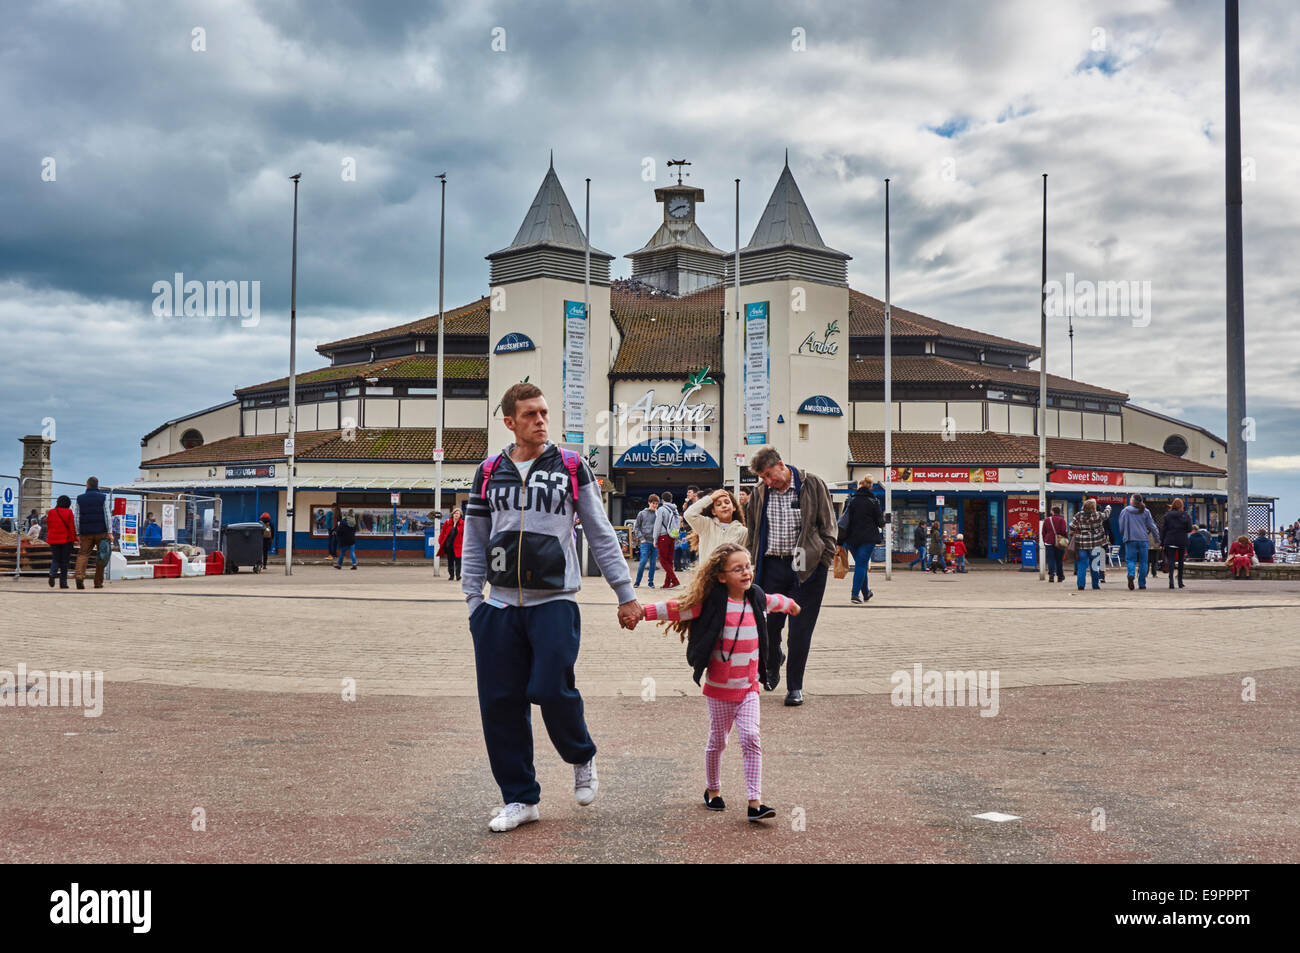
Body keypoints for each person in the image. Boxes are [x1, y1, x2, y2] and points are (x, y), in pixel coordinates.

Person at [461, 382, 642, 833]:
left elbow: (600, 532)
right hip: (499, 608)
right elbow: (475, 540)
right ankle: (521, 798)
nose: (541, 421)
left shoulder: (570, 466)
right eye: (530, 415)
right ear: (509, 422)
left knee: (549, 688)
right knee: (500, 703)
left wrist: (626, 594)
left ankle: (581, 755)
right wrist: (472, 601)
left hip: (555, 602)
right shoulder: (487, 472)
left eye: (544, 413)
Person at [642, 542, 798, 821]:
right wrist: (643, 611)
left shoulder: (757, 597)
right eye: (737, 569)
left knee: (751, 737)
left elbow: (774, 601)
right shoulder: (712, 602)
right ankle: (712, 790)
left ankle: (755, 803)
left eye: (748, 566)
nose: (746, 572)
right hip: (719, 690)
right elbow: (679, 608)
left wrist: (791, 605)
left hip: (749, 687)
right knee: (718, 742)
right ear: (722, 576)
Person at [742, 446, 835, 707]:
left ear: (781, 465)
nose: (769, 481)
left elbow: (828, 525)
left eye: (770, 475)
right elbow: (753, 532)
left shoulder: (812, 484)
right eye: (763, 477)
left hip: (806, 567)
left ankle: (795, 687)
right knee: (768, 627)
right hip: (771, 566)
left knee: (800, 631)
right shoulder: (760, 493)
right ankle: (773, 661)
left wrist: (823, 560)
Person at [841, 477, 883, 603]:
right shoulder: (874, 501)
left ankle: (866, 593)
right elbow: (880, 522)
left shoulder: (850, 500)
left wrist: (840, 541)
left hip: (851, 539)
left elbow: (843, 521)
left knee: (861, 564)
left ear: (859, 486)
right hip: (868, 538)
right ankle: (855, 595)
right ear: (870, 486)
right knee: (861, 564)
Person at [684, 488, 748, 568]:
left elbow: (743, 558)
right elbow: (689, 514)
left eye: (727, 502)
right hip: (707, 577)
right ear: (713, 511)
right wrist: (711, 498)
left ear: (734, 507)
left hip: (730, 577)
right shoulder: (705, 525)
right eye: (718, 504)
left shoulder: (743, 531)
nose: (724, 506)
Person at [72, 477, 112, 590]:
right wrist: (110, 532)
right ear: (97, 485)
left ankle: (79, 576)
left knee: (83, 554)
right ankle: (98, 582)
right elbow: (107, 515)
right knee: (101, 555)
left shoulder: (80, 498)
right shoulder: (103, 498)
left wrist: (78, 532)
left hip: (86, 532)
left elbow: (77, 517)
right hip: (102, 532)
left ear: (87, 485)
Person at [1118, 494, 1159, 590]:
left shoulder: (1125, 511)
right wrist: (1157, 538)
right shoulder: (1146, 512)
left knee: (1131, 560)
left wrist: (1124, 533)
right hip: (1143, 539)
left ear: (1132, 501)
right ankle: (1142, 584)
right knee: (1144, 562)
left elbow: (1121, 526)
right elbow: (1152, 526)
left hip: (1130, 539)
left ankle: (1131, 574)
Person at [1069, 499, 1109, 590]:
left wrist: (1080, 528)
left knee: (1082, 565)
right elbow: (1106, 515)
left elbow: (1071, 526)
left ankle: (1081, 585)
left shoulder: (1079, 515)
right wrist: (1108, 508)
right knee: (1095, 565)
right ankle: (1095, 585)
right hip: (1095, 544)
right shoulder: (1098, 515)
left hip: (1081, 544)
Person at [1159, 498, 1193, 589]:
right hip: (1181, 540)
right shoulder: (1185, 515)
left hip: (1170, 539)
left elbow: (1164, 530)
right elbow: (1189, 528)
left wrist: (1162, 543)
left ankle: (1171, 582)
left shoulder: (1167, 515)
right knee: (1181, 561)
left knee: (1171, 561)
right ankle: (1180, 582)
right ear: (1181, 505)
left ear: (1172, 505)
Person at [45, 495, 77, 589]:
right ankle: (63, 583)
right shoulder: (69, 512)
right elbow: (71, 527)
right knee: (64, 562)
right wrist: (74, 539)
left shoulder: (51, 512)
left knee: (55, 558)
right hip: (66, 540)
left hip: (53, 539)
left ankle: (52, 574)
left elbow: (49, 525)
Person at [653, 490, 682, 590]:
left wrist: (655, 539)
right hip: (672, 536)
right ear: (671, 499)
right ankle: (667, 584)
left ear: (662, 500)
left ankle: (675, 581)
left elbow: (657, 525)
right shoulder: (675, 510)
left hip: (663, 536)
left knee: (663, 560)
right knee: (669, 561)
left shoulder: (661, 509)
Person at [632, 495, 660, 588]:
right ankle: (637, 582)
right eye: (653, 503)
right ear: (649, 502)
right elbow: (636, 527)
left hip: (655, 542)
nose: (655, 505)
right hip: (645, 541)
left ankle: (651, 582)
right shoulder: (642, 513)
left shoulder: (659, 514)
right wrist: (641, 539)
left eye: (656, 504)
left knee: (653, 563)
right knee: (643, 561)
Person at [1042, 506, 1069, 583]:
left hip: (1049, 542)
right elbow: (1064, 531)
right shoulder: (1062, 520)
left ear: (1052, 511)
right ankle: (1060, 576)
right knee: (1059, 560)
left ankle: (1051, 575)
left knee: (1050, 559)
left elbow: (1043, 532)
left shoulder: (1047, 520)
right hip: (1059, 543)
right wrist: (1065, 539)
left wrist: (1045, 540)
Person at [438, 507, 465, 580]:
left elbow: (466, 535)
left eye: (458, 513)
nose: (456, 514)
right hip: (449, 546)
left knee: (458, 561)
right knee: (450, 561)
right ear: (452, 514)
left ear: (460, 515)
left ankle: (458, 575)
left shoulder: (463, 523)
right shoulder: (447, 522)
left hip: (458, 546)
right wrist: (440, 542)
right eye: (455, 513)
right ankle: (451, 575)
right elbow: (442, 533)